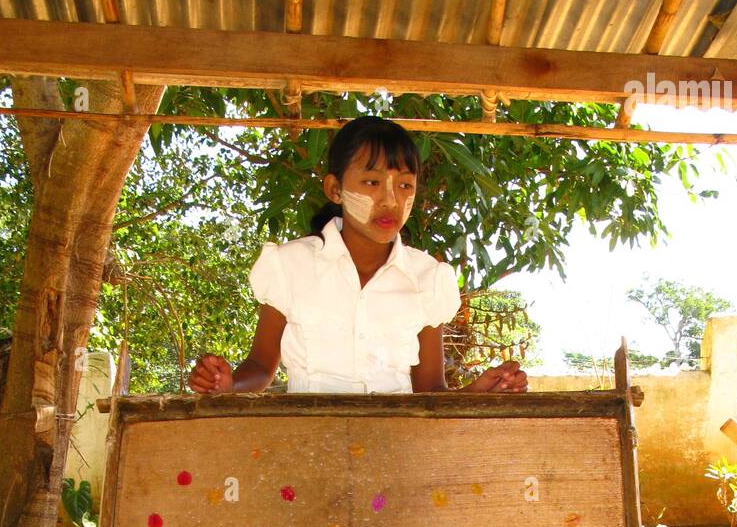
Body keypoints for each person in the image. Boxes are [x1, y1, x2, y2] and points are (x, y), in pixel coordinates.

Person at [189, 115, 528, 397]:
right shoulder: (290, 266)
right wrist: (228, 384)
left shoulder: (427, 278)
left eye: (405, 185)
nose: (390, 201)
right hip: (305, 451)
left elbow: (429, 390)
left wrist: (476, 394)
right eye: (371, 182)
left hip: (396, 456)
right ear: (334, 189)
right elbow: (261, 367)